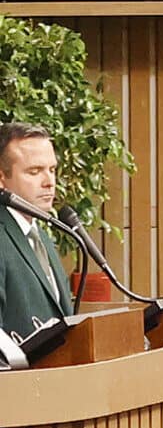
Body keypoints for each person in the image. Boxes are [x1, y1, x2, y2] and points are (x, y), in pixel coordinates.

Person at [0, 122, 73, 340]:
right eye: (34, 171)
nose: (49, 182)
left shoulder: (40, 235)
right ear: (2, 178)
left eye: (52, 170)